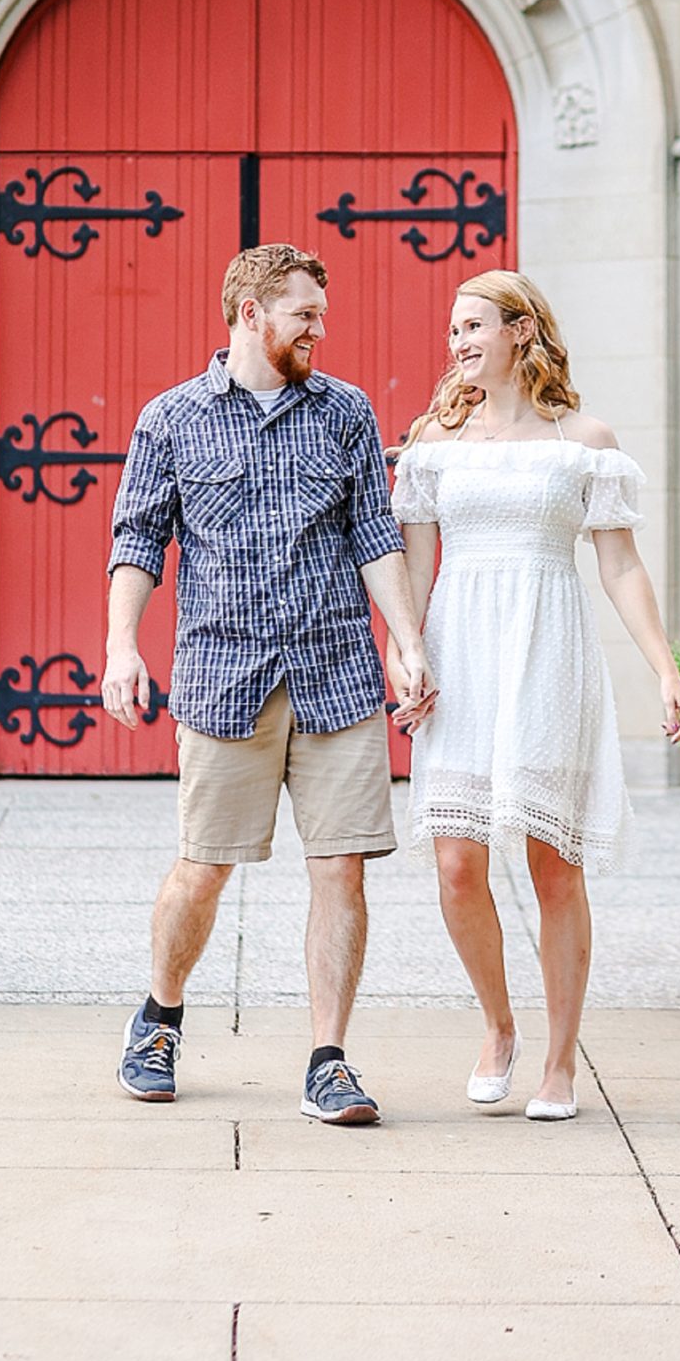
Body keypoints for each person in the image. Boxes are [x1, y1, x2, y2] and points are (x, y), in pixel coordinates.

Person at [102, 243, 429, 1126]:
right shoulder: (171, 419)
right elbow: (138, 541)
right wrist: (121, 645)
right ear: (251, 314)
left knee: (342, 871)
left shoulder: (347, 413)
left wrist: (407, 642)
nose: (320, 329)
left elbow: (375, 536)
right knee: (202, 870)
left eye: (321, 314)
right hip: (223, 676)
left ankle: (329, 1059)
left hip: (336, 677)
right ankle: (160, 1017)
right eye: (305, 315)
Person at [388, 269, 680, 1120]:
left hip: (550, 648)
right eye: (453, 330)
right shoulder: (432, 440)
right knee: (455, 862)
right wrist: (405, 650)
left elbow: (620, 563)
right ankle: (498, 1027)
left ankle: (560, 1064)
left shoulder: (584, 441)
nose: (458, 343)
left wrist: (664, 667)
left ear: (523, 331)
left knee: (553, 867)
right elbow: (413, 564)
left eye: (475, 325)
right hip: (460, 649)